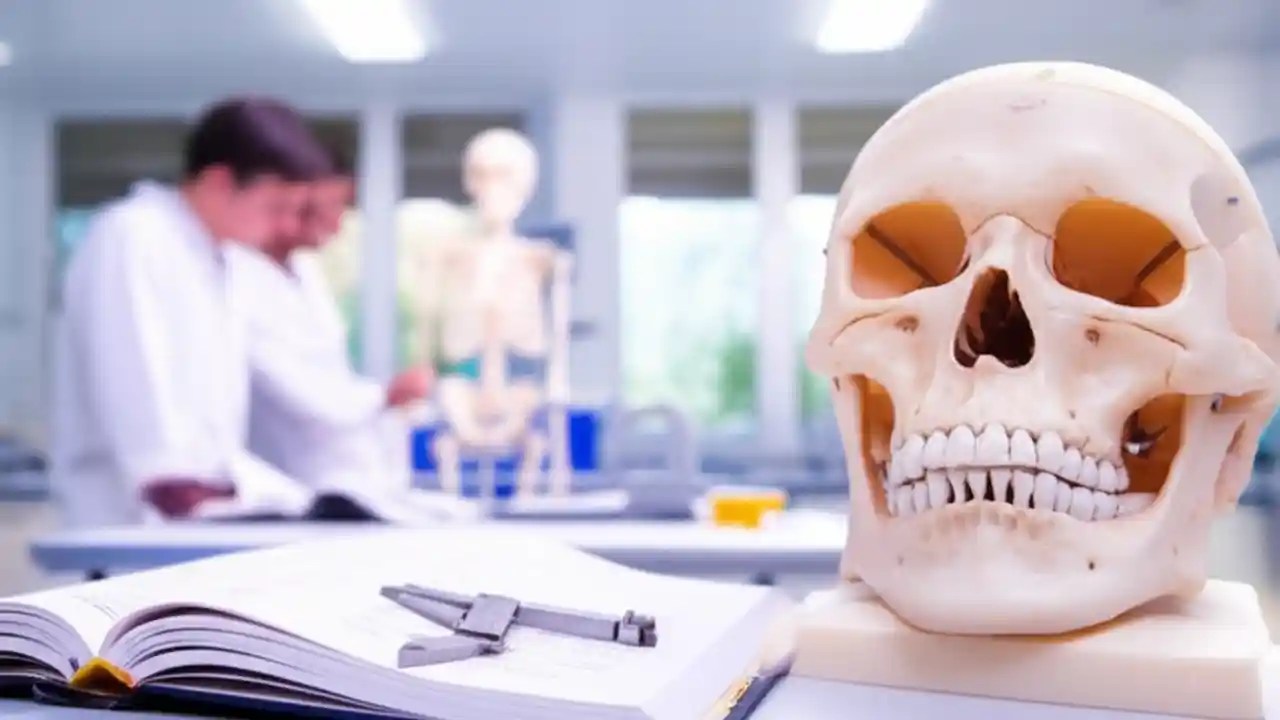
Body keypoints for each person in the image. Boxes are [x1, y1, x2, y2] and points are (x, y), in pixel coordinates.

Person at [50, 97, 330, 527]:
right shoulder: (135, 236)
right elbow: (140, 404)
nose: (282, 226)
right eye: (274, 208)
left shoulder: (221, 261)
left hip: (198, 515)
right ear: (219, 182)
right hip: (127, 521)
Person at [234, 146, 433, 500]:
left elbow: (333, 378)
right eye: (333, 207)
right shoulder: (240, 277)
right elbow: (295, 389)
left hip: (343, 478)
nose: (338, 224)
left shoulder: (305, 271)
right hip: (286, 484)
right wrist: (384, 396)